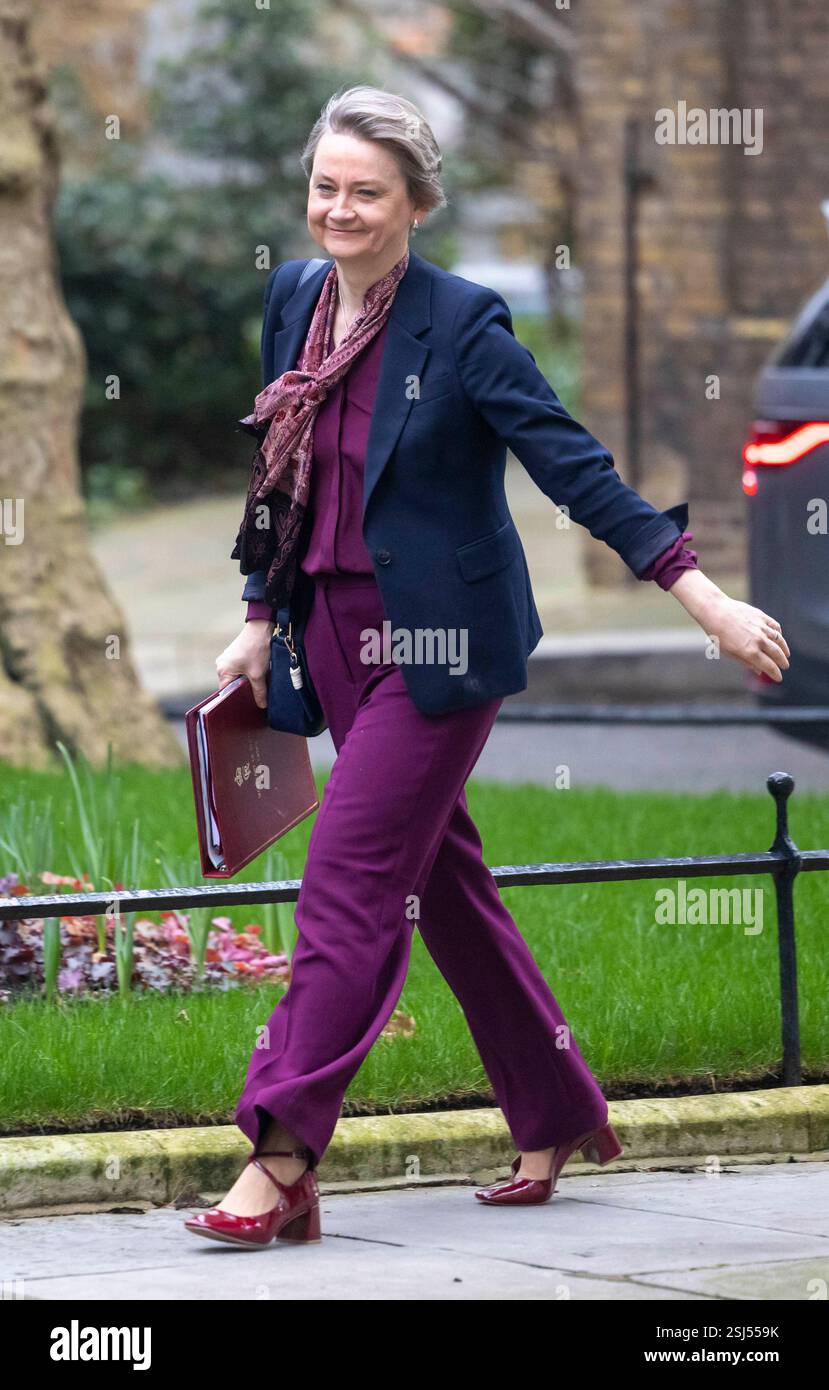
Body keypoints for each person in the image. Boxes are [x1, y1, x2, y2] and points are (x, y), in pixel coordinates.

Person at [185, 86, 790, 1248]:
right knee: (442, 885)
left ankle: (280, 1157)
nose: (339, 210)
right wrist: (259, 614)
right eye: (324, 187)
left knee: (349, 882)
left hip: (441, 652)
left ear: (416, 202)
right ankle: (554, 1108)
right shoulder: (293, 300)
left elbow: (573, 467)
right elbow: (277, 473)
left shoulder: (463, 324)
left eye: (366, 191)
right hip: (330, 639)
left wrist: (702, 600)